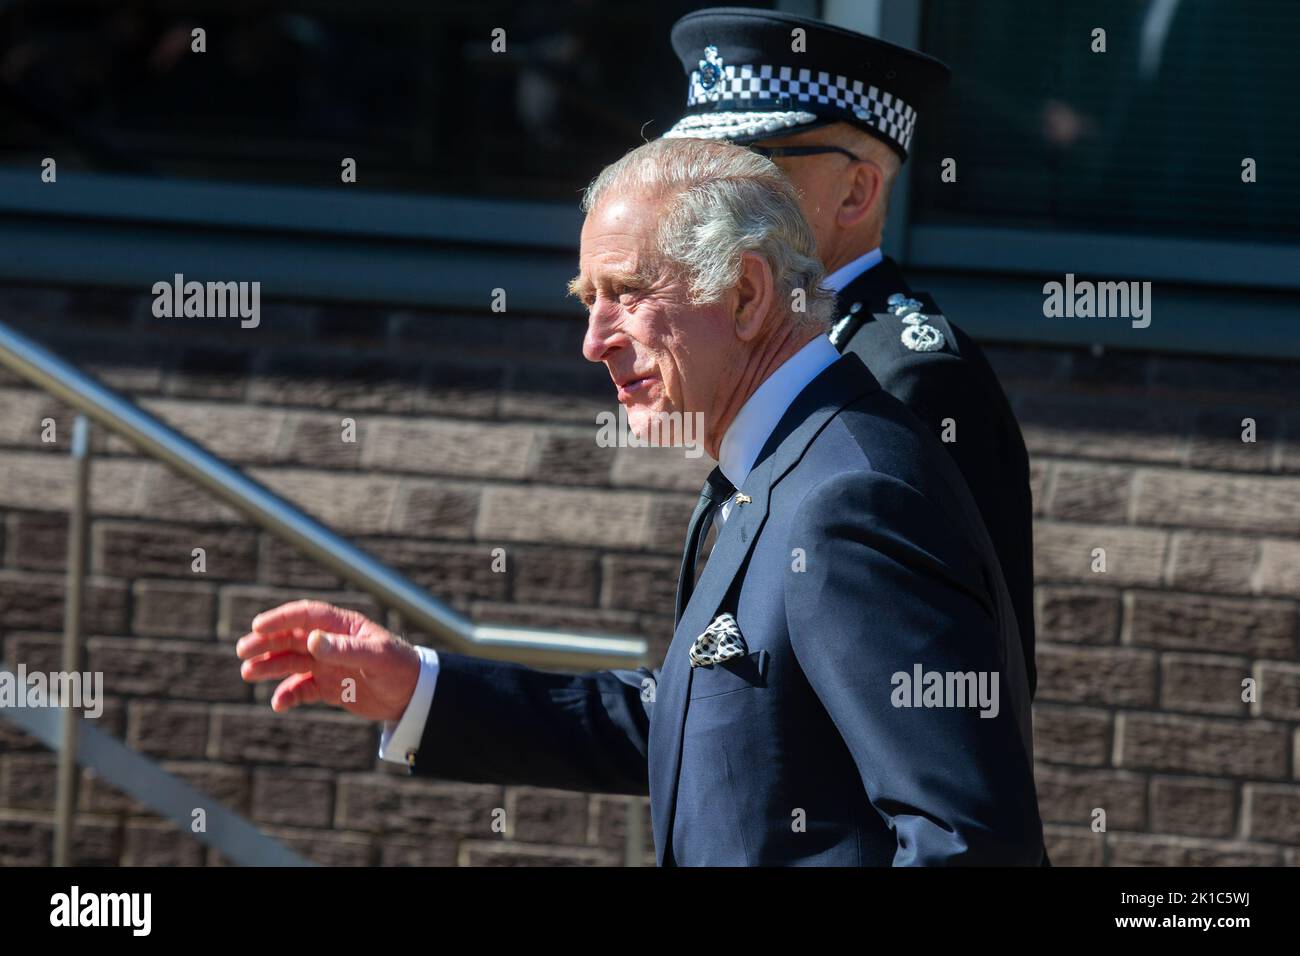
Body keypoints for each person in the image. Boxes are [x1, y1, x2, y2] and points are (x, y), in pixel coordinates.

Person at [237, 137, 1043, 866]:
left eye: (625, 292)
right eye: (587, 297)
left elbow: (967, 845)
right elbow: (707, 718)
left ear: (748, 295)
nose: (595, 339)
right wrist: (418, 688)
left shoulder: (848, 496)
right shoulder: (781, 462)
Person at [663, 8, 1038, 695]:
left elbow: (951, 701)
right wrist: (427, 687)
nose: (707, 202)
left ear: (857, 191)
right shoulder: (768, 340)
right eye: (702, 172)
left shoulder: (911, 375)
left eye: (750, 167)